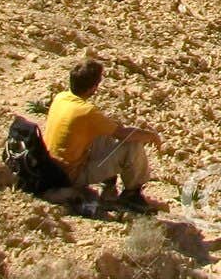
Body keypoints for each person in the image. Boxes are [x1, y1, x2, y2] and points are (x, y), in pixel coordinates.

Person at [43, 60, 161, 213]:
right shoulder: (86, 111)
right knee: (132, 146)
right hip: (72, 175)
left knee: (102, 132)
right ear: (93, 87)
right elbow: (123, 134)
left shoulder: (61, 97)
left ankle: (109, 184)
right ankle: (132, 194)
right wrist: (151, 136)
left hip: (51, 167)